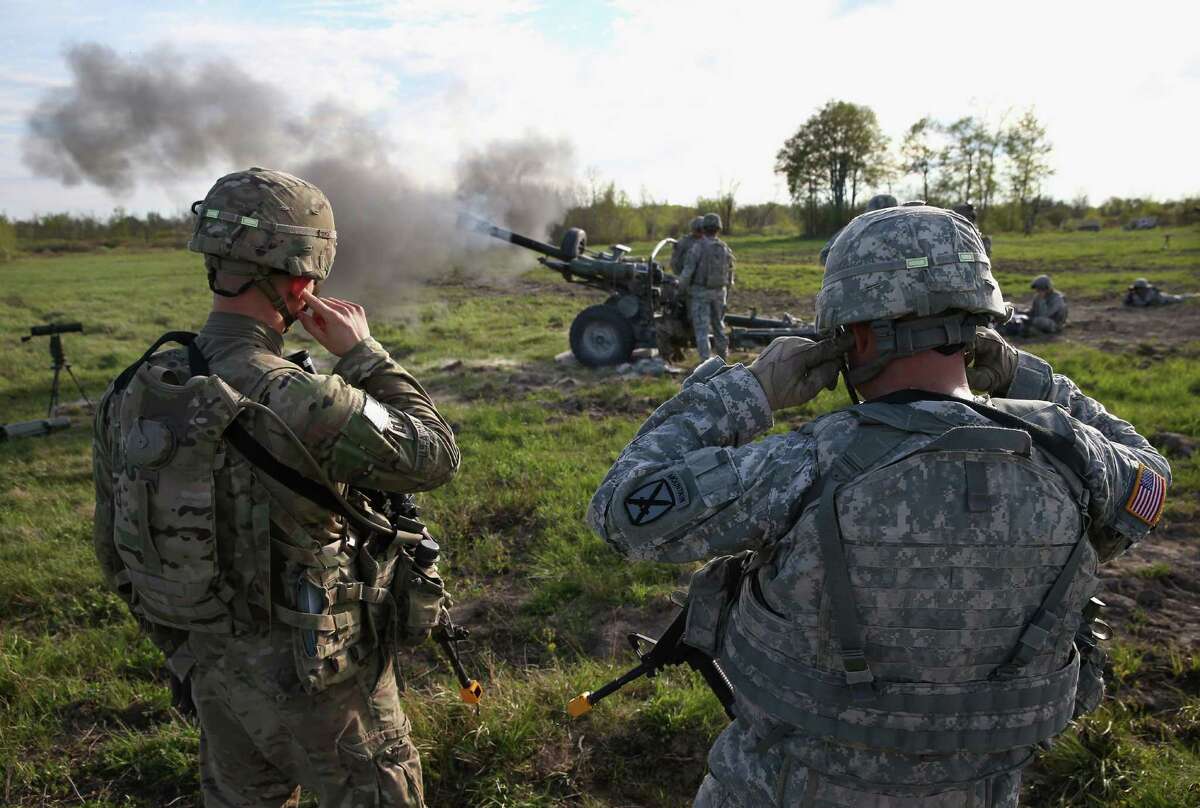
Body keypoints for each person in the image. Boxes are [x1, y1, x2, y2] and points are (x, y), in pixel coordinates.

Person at [587, 204, 1169, 808]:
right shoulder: (1073, 455)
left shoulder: (807, 463)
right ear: (979, 329)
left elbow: (624, 511)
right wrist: (1033, 380)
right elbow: (1151, 480)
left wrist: (749, 391)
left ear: (856, 337)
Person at [92, 168, 460, 807]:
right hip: (326, 684)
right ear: (300, 280)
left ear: (214, 261)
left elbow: (113, 550)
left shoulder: (134, 388)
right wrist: (365, 354)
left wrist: (190, 659)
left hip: (213, 671)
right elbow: (434, 455)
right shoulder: (301, 396)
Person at [679, 212, 736, 361]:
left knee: (702, 330)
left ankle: (706, 362)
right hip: (720, 293)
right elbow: (730, 274)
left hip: (700, 293)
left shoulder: (698, 247)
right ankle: (723, 358)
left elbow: (687, 272)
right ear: (719, 228)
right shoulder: (725, 248)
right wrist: (726, 293)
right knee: (719, 327)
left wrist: (681, 290)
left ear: (704, 228)